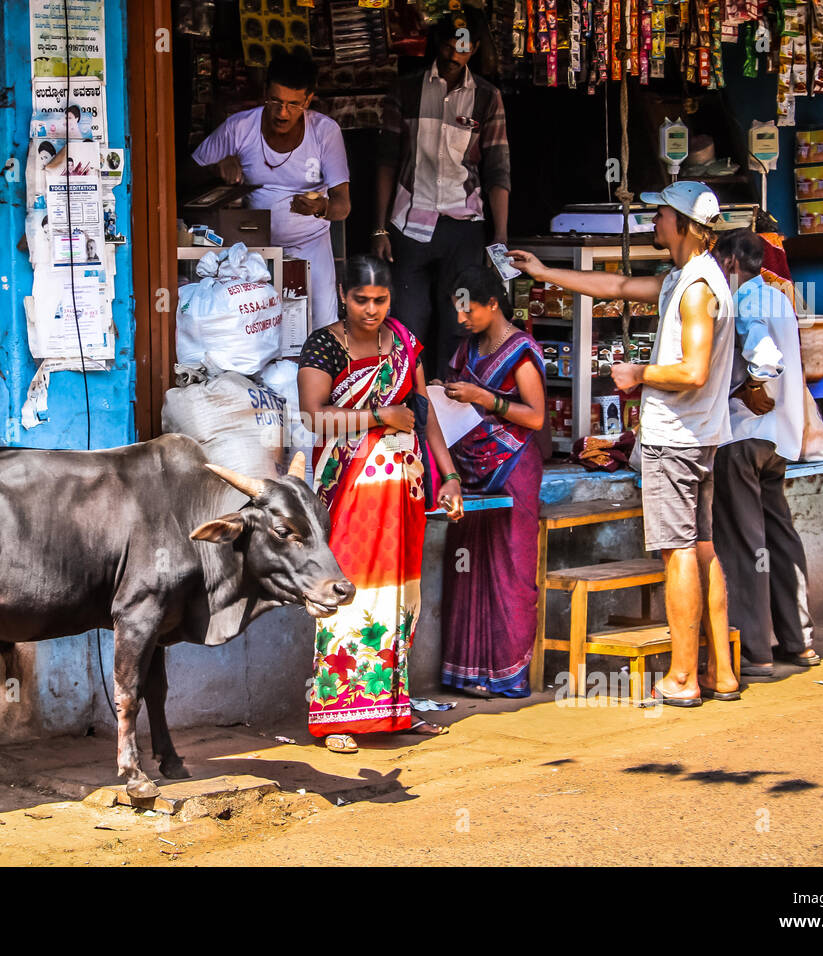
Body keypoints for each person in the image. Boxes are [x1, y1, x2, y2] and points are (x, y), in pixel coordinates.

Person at [508, 181, 740, 705]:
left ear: (682, 223)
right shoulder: (685, 278)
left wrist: (639, 373)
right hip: (698, 438)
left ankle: (683, 677)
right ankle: (720, 671)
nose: (653, 224)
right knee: (700, 546)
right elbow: (614, 287)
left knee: (676, 551)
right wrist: (543, 273)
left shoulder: (698, 288)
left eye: (659, 216)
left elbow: (694, 370)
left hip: (677, 439)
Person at [297, 256, 463, 752]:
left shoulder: (405, 342)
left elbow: (422, 411)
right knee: (350, 591)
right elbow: (313, 419)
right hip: (350, 490)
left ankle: (393, 710)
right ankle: (337, 716)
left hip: (404, 489)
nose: (371, 310)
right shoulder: (324, 346)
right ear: (343, 295)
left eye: (380, 300)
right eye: (360, 300)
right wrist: (376, 417)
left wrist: (448, 475)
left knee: (399, 594)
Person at [373, 6, 510, 378]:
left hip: (462, 230)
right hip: (409, 228)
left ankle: (449, 411)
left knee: (457, 322)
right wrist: (380, 228)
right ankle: (411, 405)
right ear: (440, 43)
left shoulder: (486, 97)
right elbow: (386, 161)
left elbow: (498, 168)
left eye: (464, 45)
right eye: (450, 42)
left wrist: (499, 238)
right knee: (408, 324)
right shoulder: (406, 90)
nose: (455, 51)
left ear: (476, 47)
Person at [710, 229, 820, 676]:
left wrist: (755, 382)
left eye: (719, 262)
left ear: (732, 262)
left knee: (743, 543)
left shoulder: (746, 300)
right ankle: (800, 640)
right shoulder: (778, 297)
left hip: (744, 436)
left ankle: (755, 651)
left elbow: (765, 353)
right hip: (779, 439)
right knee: (778, 535)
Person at [438, 266, 547, 697]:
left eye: (470, 312)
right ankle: (468, 671)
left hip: (513, 467)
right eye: (458, 312)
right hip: (470, 471)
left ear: (494, 304)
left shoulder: (520, 351)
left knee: (510, 569)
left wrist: (485, 398)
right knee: (468, 566)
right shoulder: (466, 350)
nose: (462, 320)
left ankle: (507, 672)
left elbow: (535, 417)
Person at [192, 51, 350, 330]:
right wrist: (217, 168)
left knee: (321, 329)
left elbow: (343, 205)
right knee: (259, 330)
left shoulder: (325, 132)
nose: (282, 112)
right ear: (265, 92)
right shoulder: (240, 128)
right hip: (253, 249)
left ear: (308, 100)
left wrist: (321, 208)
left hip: (312, 246)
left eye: (293, 104)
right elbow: (185, 176)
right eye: (275, 101)